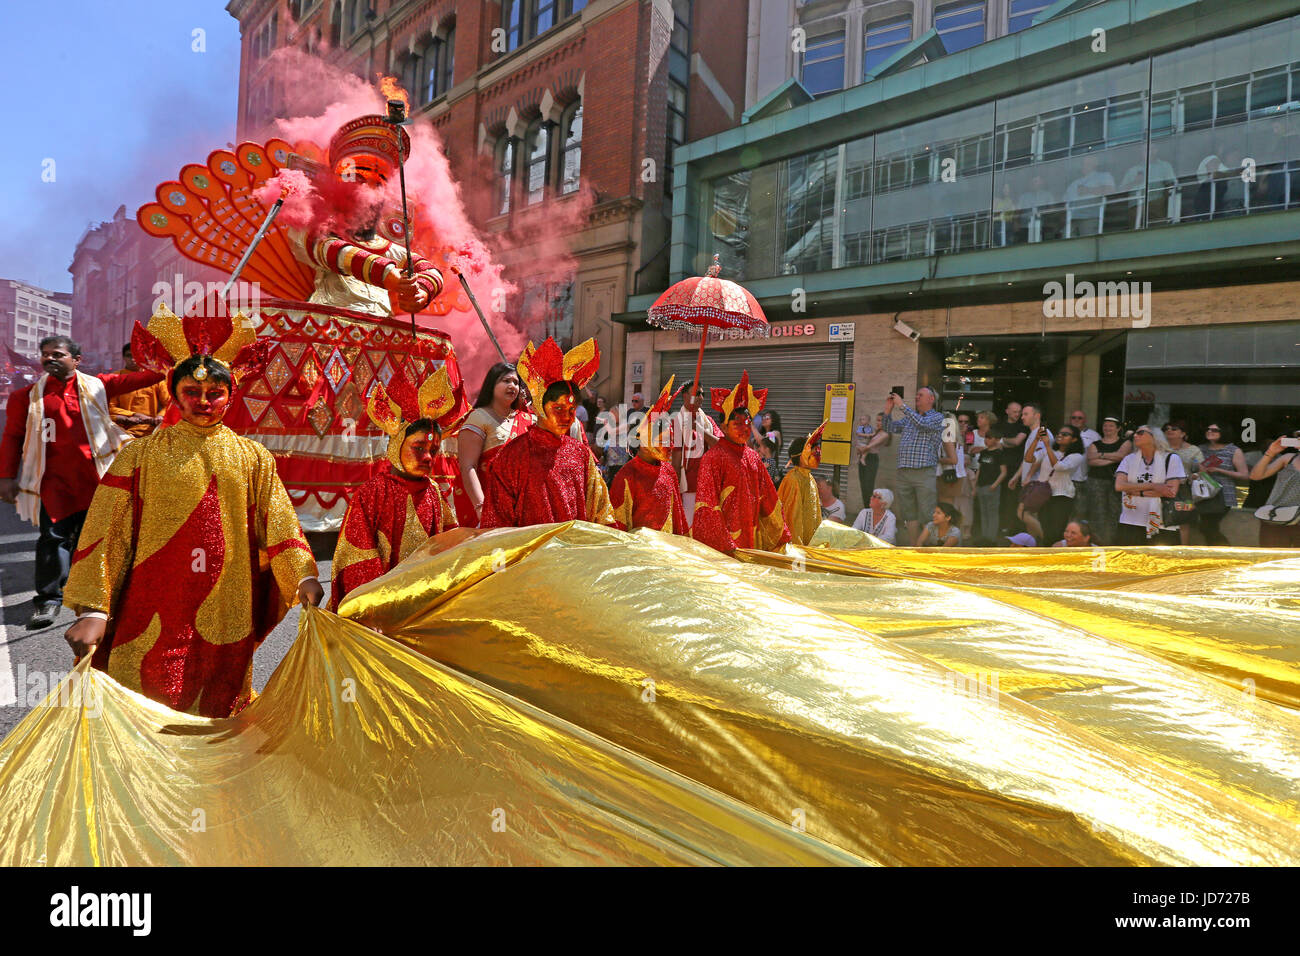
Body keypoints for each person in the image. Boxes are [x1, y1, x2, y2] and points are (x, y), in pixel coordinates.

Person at [61, 305, 322, 718]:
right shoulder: (140, 456)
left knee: (219, 703)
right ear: (175, 394)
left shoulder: (254, 458)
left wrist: (303, 575)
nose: (204, 401)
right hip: (153, 602)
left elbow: (280, 525)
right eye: (192, 392)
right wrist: (95, 609)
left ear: (230, 395)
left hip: (226, 605)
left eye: (214, 393)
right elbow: (107, 533)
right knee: (145, 703)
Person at [0, 335, 164, 630]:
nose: (50, 358)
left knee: (99, 540)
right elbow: (12, 439)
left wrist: (175, 364)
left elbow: (144, 379)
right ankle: (49, 599)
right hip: (54, 484)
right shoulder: (25, 397)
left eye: (58, 354)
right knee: (53, 540)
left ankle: (98, 598)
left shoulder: (99, 385)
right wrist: (6, 477)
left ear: (76, 360)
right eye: (45, 354)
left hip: (97, 480)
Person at [330, 367, 463, 610]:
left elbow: (449, 539)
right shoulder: (373, 492)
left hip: (423, 602)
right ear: (396, 445)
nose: (428, 458)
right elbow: (357, 554)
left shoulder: (433, 490)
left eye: (433, 451)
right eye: (418, 448)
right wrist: (373, 605)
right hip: (381, 607)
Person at [289, 114, 444, 318]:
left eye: (378, 184)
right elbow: (331, 251)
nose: (370, 191)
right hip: (327, 328)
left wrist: (420, 292)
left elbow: (430, 270)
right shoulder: (315, 228)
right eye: (359, 180)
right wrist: (389, 276)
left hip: (381, 333)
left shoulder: (382, 246)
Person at [479, 337, 616, 529]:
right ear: (540, 406)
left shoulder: (581, 454)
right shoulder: (511, 456)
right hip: (529, 555)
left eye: (571, 410)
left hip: (573, 554)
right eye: (558, 409)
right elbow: (497, 523)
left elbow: (600, 513)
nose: (567, 418)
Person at [691, 371, 790, 555]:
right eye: (737, 423)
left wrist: (782, 536)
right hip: (723, 549)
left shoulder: (753, 457)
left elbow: (769, 500)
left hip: (750, 543)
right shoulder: (713, 458)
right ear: (723, 427)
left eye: (748, 422)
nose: (745, 428)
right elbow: (707, 508)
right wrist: (726, 546)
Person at [454, 361, 533, 527]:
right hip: (492, 508)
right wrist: (481, 508)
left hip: (526, 509)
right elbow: (468, 467)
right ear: (492, 385)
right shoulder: (478, 418)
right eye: (506, 381)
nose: (512, 385)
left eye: (516, 382)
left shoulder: (529, 420)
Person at [608, 377, 689, 534]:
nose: (671, 445)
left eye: (671, 440)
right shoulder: (627, 476)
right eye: (664, 441)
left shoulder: (669, 471)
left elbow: (678, 520)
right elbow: (616, 529)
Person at [883, 386, 945, 544]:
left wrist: (902, 406)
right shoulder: (911, 418)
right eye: (916, 395)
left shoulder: (937, 417)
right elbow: (888, 427)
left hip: (923, 473)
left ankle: (929, 548)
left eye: (920, 395)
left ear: (931, 399)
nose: (916, 397)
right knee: (908, 512)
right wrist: (887, 411)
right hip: (904, 472)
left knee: (927, 512)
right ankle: (913, 547)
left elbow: (922, 424)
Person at [1115, 425, 1185, 545]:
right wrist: (1154, 486)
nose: (1135, 435)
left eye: (1141, 432)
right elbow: (1120, 486)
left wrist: (1135, 491)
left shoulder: (1171, 459)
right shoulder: (1129, 459)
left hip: (1162, 522)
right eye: (1135, 434)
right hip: (1130, 520)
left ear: (1154, 437)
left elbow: (1170, 491)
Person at [669, 381, 722, 520]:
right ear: (685, 396)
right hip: (688, 487)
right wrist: (675, 487)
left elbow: (720, 446)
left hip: (708, 483)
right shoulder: (676, 422)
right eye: (697, 393)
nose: (701, 397)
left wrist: (699, 428)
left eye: (702, 394)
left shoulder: (707, 421)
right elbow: (675, 457)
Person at [1030, 425, 1086, 547]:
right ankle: (1046, 555)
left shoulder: (1077, 456)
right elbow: (1029, 459)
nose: (1060, 435)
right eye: (1059, 433)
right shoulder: (1048, 451)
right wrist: (1036, 440)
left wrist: (1047, 446)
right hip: (1044, 495)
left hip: (1062, 496)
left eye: (1065, 434)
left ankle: (1055, 556)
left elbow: (1059, 467)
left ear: (1074, 439)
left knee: (1056, 530)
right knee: (1045, 527)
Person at [1197, 422, 1248, 546]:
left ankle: (1224, 551)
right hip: (1203, 493)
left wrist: (1219, 470)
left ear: (1223, 432)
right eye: (1208, 429)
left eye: (1215, 430)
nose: (1210, 431)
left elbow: (1245, 475)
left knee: (1209, 525)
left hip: (1224, 494)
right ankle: (1215, 553)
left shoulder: (1233, 450)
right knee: (1205, 525)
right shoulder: (1200, 448)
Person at [777, 422, 828, 546]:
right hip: (795, 549)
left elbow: (816, 517)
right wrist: (797, 549)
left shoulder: (810, 478)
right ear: (801, 455)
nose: (817, 452)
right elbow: (792, 519)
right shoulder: (793, 480)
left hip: (808, 546)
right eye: (813, 449)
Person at [1085, 416, 1130, 545]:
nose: (1107, 428)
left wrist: (1101, 455)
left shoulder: (1125, 443)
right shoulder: (1095, 444)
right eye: (1105, 425)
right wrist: (1113, 458)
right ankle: (1098, 543)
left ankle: (1112, 543)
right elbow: (1091, 461)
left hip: (1116, 483)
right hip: (1096, 481)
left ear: (1118, 428)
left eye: (1111, 425)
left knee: (1115, 513)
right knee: (1097, 513)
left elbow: (1122, 456)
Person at [109, 342, 170, 438]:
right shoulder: (115, 378)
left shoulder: (154, 378)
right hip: (123, 433)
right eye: (129, 356)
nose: (133, 359)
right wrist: (134, 415)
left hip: (150, 431)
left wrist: (160, 416)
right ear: (123, 358)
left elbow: (170, 403)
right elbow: (109, 408)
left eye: (136, 355)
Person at [1249, 433, 1300, 548]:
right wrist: (1271, 453)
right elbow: (1255, 476)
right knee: (1270, 560)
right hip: (1276, 516)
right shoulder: (1288, 458)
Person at [1162, 420, 1205, 545]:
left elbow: (1201, 469)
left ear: (1183, 433)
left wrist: (1194, 475)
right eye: (1167, 428)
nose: (1169, 430)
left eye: (1174, 429)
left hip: (1184, 490)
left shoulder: (1193, 450)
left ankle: (1183, 549)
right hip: (1160, 487)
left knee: (1183, 520)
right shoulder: (1159, 448)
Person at [972, 410, 1006, 540]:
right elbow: (980, 469)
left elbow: (1003, 472)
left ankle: (991, 538)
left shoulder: (999, 453)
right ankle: (984, 536)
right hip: (981, 485)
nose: (986, 440)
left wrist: (995, 485)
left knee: (992, 513)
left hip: (992, 486)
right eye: (986, 438)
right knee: (983, 512)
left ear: (996, 440)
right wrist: (975, 486)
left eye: (989, 438)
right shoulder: (985, 453)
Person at [1065, 154, 1116, 237]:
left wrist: (1088, 190)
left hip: (1090, 216)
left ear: (1096, 163)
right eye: (1083, 163)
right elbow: (1065, 201)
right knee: (1065, 240)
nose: (1085, 165)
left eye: (1088, 163)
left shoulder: (1103, 176)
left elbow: (1111, 191)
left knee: (1087, 242)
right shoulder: (1074, 183)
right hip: (1072, 218)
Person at [854, 412, 890, 508]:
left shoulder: (884, 434)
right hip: (864, 457)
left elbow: (869, 446)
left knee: (869, 486)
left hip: (871, 459)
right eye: (877, 420)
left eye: (881, 421)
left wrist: (862, 448)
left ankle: (870, 508)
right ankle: (866, 508)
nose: (878, 423)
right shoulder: (874, 431)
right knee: (863, 486)